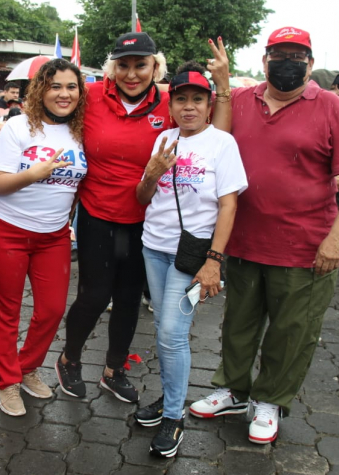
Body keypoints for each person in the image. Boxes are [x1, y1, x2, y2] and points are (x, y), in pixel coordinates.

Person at [189, 27, 339, 444]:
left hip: (306, 247)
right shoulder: (240, 99)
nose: (287, 62)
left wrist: (337, 236)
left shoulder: (329, 106)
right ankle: (233, 389)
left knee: (291, 332)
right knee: (239, 324)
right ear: (265, 57)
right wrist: (220, 85)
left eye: (296, 55)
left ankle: (270, 399)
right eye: (279, 54)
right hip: (246, 241)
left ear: (309, 62)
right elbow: (215, 143)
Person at [57, 32, 231, 404]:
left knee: (128, 299)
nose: (131, 74)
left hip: (145, 223)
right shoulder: (90, 96)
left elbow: (219, 134)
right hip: (97, 215)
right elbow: (53, 106)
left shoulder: (173, 101)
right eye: (123, 65)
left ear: (157, 67)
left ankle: (113, 369)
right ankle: (69, 359)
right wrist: (10, 125)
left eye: (141, 65)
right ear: (112, 68)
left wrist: (225, 85)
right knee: (94, 294)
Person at [134, 65, 247, 457]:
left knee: (170, 334)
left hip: (193, 256)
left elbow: (229, 204)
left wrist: (214, 261)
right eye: (181, 99)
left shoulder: (222, 144)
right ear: (171, 104)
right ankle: (168, 400)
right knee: (166, 333)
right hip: (154, 247)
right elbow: (143, 197)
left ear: (208, 103)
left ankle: (173, 418)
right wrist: (152, 174)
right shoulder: (163, 139)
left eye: (197, 99)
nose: (188, 107)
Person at [0, 58, 87, 416]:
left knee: (52, 309)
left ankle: (27, 368)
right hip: (6, 231)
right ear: (40, 89)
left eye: (71, 87)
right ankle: (6, 382)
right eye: (55, 85)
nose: (63, 93)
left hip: (54, 236)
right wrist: (36, 173)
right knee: (6, 311)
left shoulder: (79, 130)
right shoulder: (18, 128)